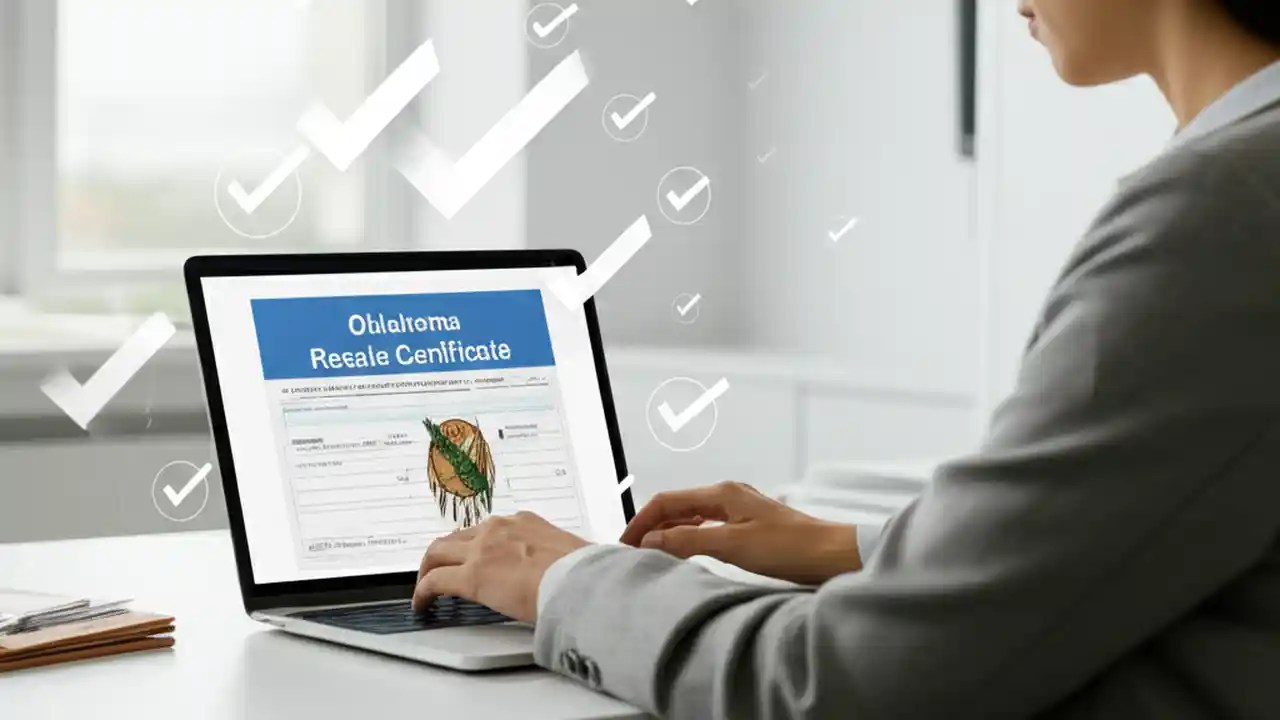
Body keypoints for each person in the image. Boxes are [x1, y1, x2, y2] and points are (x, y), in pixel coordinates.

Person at [413, 0, 1280, 716]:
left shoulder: (1220, 216)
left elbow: (849, 685)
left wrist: (574, 581)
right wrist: (849, 546)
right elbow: (1159, 531)